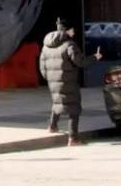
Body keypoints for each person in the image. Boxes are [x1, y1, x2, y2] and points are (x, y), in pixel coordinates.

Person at [39, 18, 101, 146]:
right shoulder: (69, 45)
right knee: (73, 107)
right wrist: (95, 57)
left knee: (57, 101)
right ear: (68, 30)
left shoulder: (46, 45)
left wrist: (50, 77)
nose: (74, 32)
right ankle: (73, 138)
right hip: (68, 81)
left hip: (53, 81)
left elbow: (42, 65)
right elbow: (80, 62)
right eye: (73, 30)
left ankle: (52, 126)